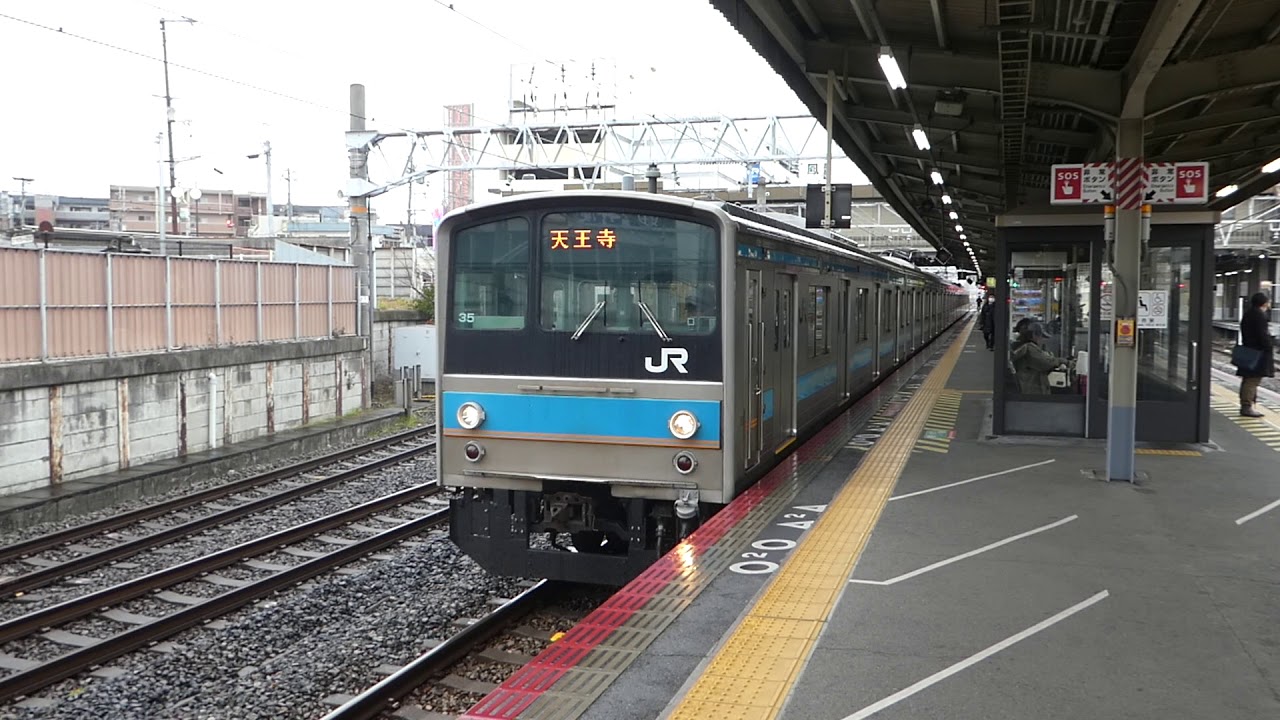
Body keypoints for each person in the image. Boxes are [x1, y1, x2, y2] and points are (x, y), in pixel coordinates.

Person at [1237, 292, 1275, 417]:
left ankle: (1246, 405)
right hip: (1257, 353)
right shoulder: (1259, 316)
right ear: (1264, 303)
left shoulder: (1248, 314)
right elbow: (1263, 336)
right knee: (1252, 380)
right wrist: (1269, 346)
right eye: (1268, 302)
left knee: (1247, 379)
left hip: (1249, 350)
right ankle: (1247, 407)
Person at [1011, 322, 1068, 395]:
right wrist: (1062, 361)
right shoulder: (1030, 348)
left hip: (1028, 387)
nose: (1043, 340)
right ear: (1034, 335)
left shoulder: (1022, 346)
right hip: (1032, 390)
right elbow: (1046, 363)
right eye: (1041, 336)